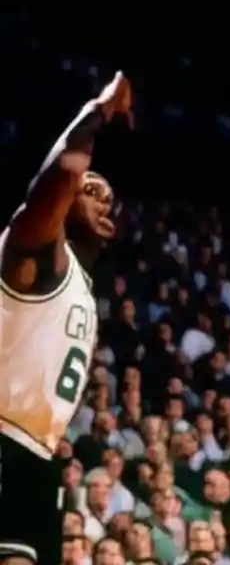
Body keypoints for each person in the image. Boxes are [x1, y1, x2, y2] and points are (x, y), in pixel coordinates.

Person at [0, 72, 133, 564]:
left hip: (34, 452)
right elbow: (57, 176)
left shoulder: (79, 283)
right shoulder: (33, 251)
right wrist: (97, 110)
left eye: (110, 200)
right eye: (92, 191)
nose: (105, 202)